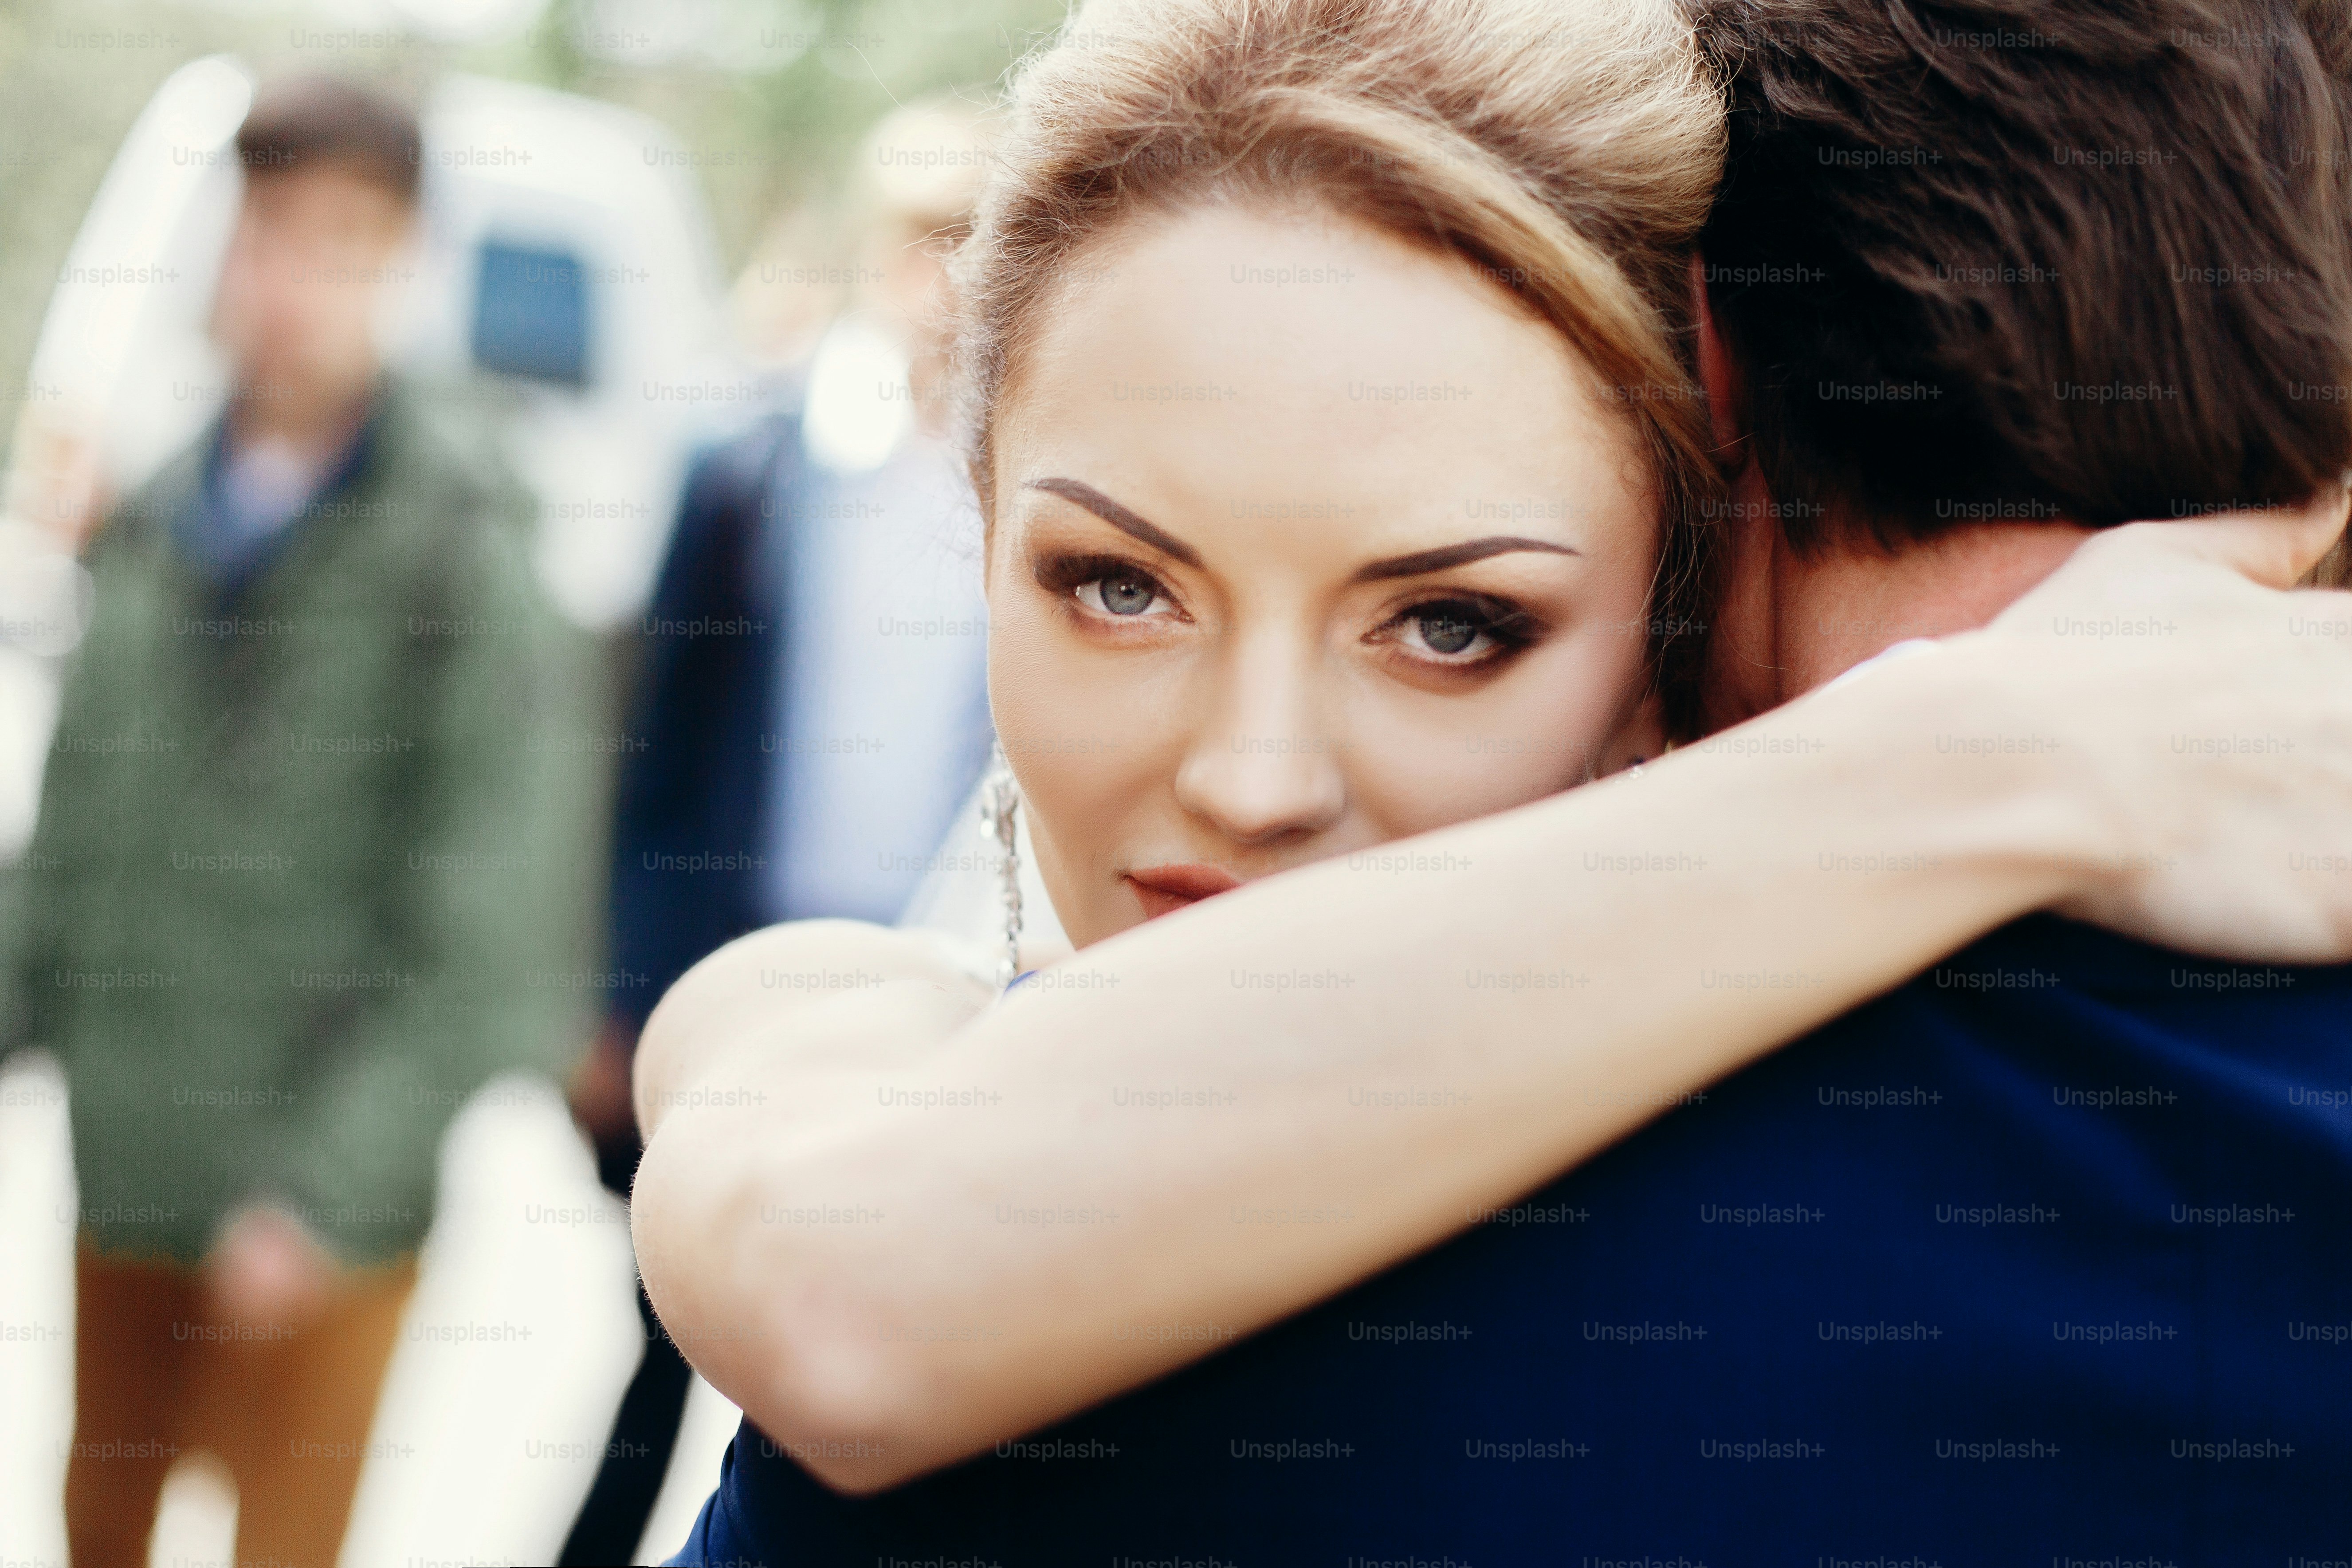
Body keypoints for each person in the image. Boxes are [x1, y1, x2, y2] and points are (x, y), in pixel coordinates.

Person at [634, 0, 2352, 1555]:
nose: (1252, 775)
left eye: (1452, 623)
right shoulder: (836, 1040)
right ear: (980, 509)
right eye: (1118, 583)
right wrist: (2006, 744)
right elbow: (849, 1284)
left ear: (1676, 590)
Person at [0, 75, 599, 1568]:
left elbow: (495, 927)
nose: (295, 280)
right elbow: (68, 844)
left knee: (281, 1544)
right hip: (128, 1163)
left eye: (347, 241)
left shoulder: (466, 540)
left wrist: (327, 1197)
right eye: (272, 231)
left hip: (316, 1208)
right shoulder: (154, 506)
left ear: (400, 267)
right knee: (97, 1521)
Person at [556, 100, 997, 1561]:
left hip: (935, 979)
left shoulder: (1035, 491)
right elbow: (651, 746)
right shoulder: (754, 465)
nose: (942, 282)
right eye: (919, 244)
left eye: (971, 246)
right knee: (666, 1332)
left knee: (853, 1356)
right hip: (733, 950)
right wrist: (617, 994)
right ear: (874, 254)